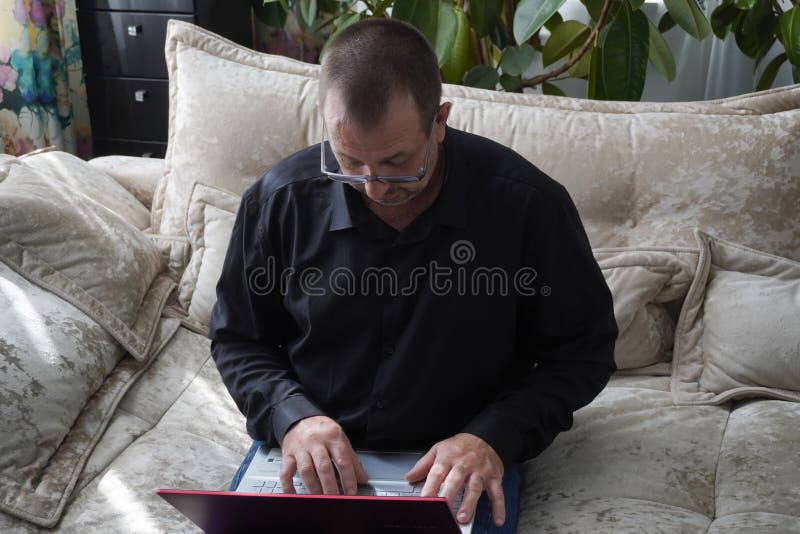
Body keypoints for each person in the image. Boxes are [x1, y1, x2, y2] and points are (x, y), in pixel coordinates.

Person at [209, 17, 618, 534]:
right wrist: (293, 418)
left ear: (440, 120)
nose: (373, 186)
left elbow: (585, 349)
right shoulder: (279, 200)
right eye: (348, 161)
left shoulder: (527, 206)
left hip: (461, 462)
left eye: (398, 162)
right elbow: (237, 338)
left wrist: (494, 436)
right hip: (315, 456)